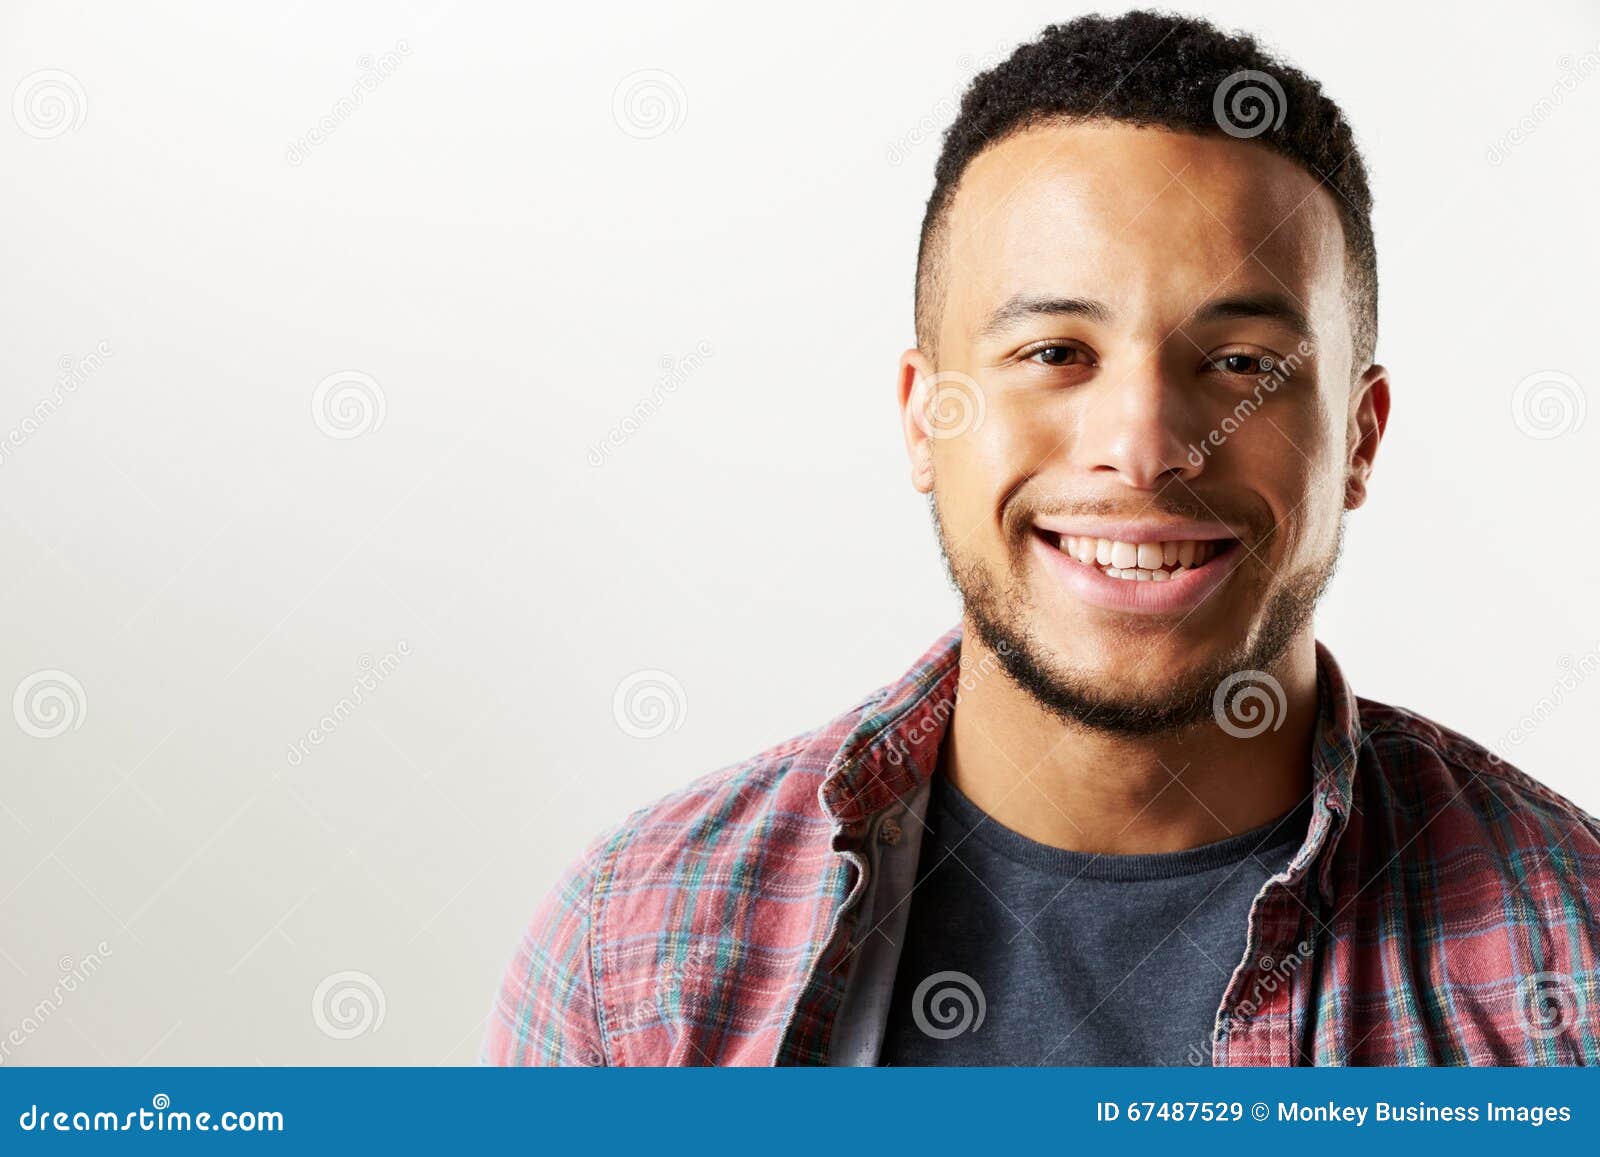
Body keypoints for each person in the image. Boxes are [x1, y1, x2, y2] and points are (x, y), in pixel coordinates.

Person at [485, 9, 1600, 1066]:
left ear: (1358, 435)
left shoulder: (1572, 967)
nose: (1145, 444)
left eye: (1241, 365)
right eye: (1056, 351)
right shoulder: (632, 957)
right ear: (926, 417)